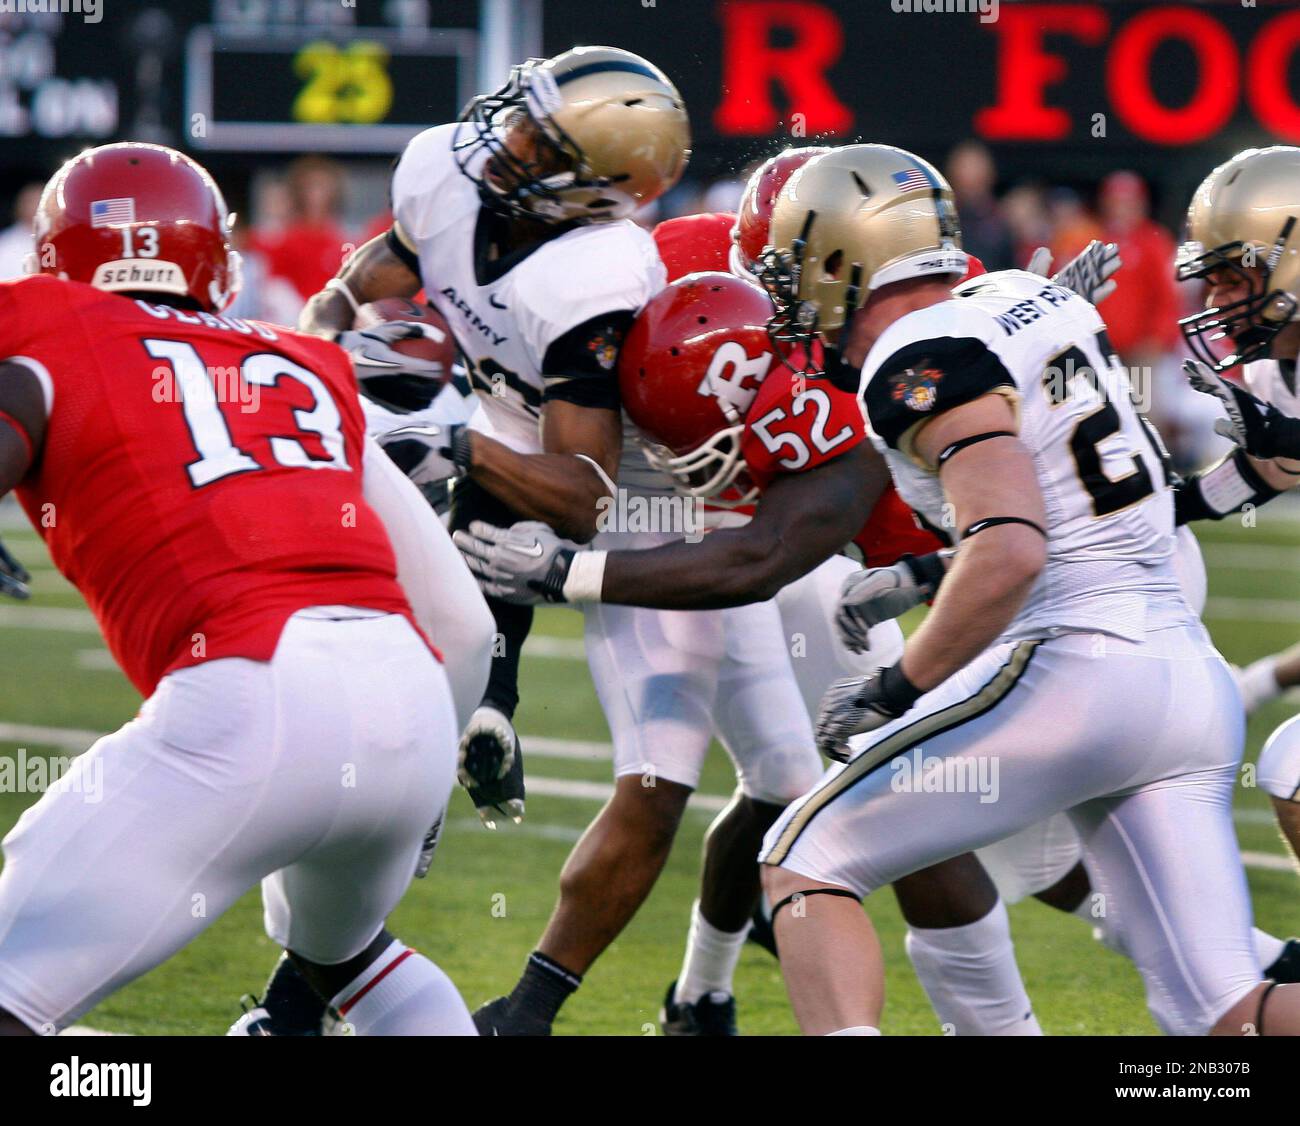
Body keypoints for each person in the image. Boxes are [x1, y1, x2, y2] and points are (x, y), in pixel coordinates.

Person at [754, 143, 1300, 1036]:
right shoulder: (1020, 299)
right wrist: (926, 574)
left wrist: (900, 685)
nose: (788, 294)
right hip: (1184, 680)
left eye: (792, 269)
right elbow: (1083, 494)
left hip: (1082, 668)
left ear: (843, 260)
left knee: (805, 859)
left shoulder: (920, 353)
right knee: (1225, 1020)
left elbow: (1010, 547)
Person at [0, 142, 488, 1036]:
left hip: (248, 697)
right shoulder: (307, 363)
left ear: (52, 257)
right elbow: (462, 622)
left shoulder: (42, 322)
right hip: (407, 710)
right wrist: (417, 807)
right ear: (216, 260)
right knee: (354, 959)